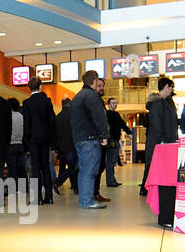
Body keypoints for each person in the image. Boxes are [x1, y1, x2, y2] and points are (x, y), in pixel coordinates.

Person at [70, 69, 109, 209]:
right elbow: (99, 117)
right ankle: (88, 201)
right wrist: (104, 135)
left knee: (83, 170)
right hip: (90, 139)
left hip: (79, 139)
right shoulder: (92, 96)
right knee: (90, 171)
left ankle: (84, 199)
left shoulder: (77, 97)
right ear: (94, 81)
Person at [141, 76, 178, 196]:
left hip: (167, 140)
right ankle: (145, 188)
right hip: (158, 141)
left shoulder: (167, 102)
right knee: (151, 164)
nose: (172, 90)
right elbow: (157, 124)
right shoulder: (157, 103)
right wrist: (162, 140)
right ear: (166, 87)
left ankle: (152, 188)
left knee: (156, 165)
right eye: (171, 87)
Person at [22, 81, 56, 204]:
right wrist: (52, 141)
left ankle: (37, 198)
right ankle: (49, 197)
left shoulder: (27, 103)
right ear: (40, 87)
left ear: (29, 88)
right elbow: (52, 121)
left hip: (33, 139)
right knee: (45, 167)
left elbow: (26, 123)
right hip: (45, 138)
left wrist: (25, 141)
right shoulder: (47, 101)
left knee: (35, 168)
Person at [104, 97, 133, 187]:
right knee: (111, 162)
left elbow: (121, 124)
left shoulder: (110, 114)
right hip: (112, 141)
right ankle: (110, 181)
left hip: (113, 140)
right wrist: (129, 132)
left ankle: (112, 180)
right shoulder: (111, 114)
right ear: (108, 105)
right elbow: (122, 124)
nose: (115, 104)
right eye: (113, 103)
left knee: (111, 162)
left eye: (116, 103)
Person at [54, 97, 77, 194]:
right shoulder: (73, 116)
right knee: (74, 167)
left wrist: (55, 148)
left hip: (61, 148)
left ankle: (75, 187)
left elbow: (55, 133)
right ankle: (58, 182)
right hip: (71, 146)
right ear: (70, 104)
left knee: (71, 166)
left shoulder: (57, 117)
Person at [6, 97, 27, 187]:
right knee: (21, 167)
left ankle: (13, 188)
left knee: (12, 168)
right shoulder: (21, 116)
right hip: (20, 145)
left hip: (10, 145)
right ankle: (24, 187)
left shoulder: (8, 117)